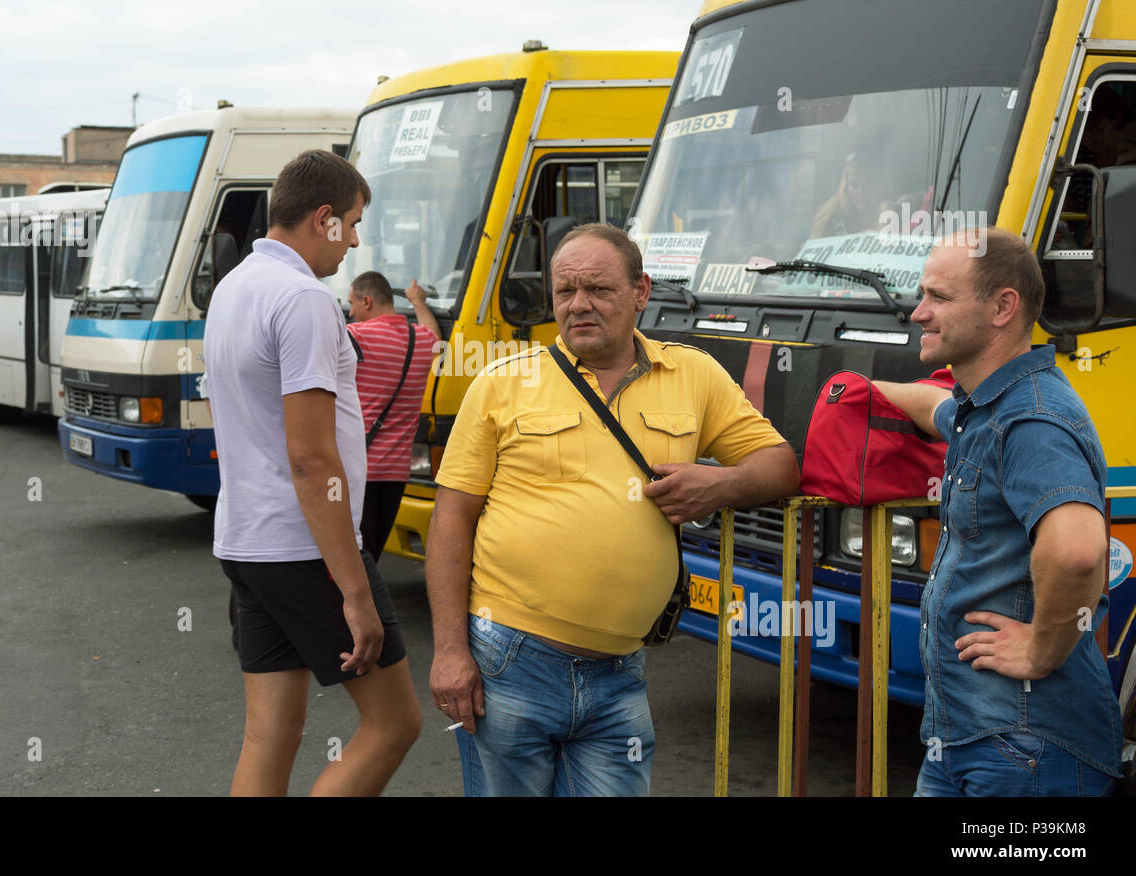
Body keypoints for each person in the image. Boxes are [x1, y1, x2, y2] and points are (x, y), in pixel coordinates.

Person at [425, 222, 800, 796]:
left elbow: (779, 463)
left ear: (640, 291)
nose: (579, 305)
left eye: (598, 290)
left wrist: (720, 486)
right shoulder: (502, 383)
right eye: (565, 292)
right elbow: (451, 519)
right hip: (509, 661)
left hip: (620, 671)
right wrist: (451, 651)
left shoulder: (692, 373)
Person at [872, 226, 1121, 796]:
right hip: (969, 742)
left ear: (1003, 307)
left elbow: (1080, 551)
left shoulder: (1030, 420)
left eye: (938, 297)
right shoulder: (985, 407)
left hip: (1025, 751)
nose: (918, 313)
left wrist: (1040, 649)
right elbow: (938, 406)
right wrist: (865, 389)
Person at [204, 149, 421, 796]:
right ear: (323, 218)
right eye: (352, 223)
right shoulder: (304, 299)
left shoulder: (233, 288)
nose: (355, 240)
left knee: (270, 735)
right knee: (395, 723)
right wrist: (355, 590)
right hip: (306, 548)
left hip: (247, 540)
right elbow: (311, 456)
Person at [346, 271, 440, 562]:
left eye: (352, 303)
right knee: (370, 555)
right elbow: (433, 332)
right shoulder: (420, 340)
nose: (350, 312)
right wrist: (417, 302)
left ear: (367, 301)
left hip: (358, 471)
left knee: (348, 559)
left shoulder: (355, 337)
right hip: (396, 475)